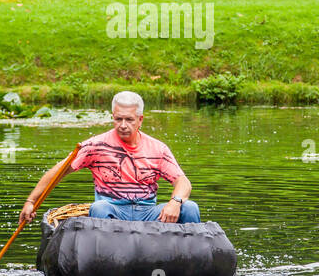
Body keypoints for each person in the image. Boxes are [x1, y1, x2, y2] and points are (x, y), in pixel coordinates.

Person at [18, 90, 200, 227]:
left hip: (148, 212)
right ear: (112, 117)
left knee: (190, 208)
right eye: (118, 119)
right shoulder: (95, 145)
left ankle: (193, 263)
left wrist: (174, 203)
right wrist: (31, 202)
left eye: (129, 120)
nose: (122, 125)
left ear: (140, 119)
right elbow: (59, 171)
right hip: (113, 210)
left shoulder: (158, 149)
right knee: (99, 208)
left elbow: (183, 182)